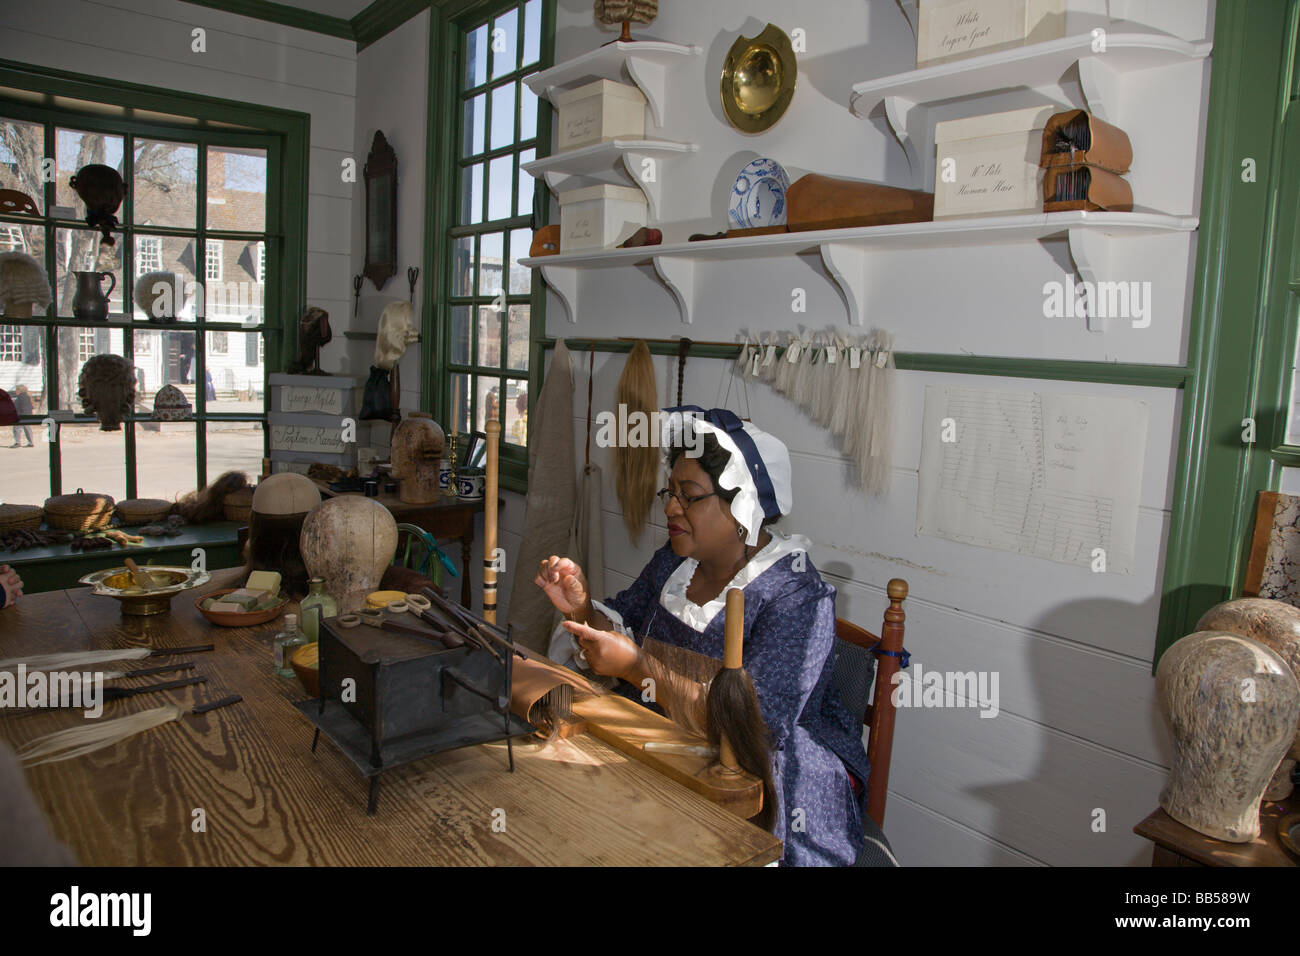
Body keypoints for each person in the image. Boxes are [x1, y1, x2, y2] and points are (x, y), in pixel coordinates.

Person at [535, 408, 889, 866]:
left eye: (690, 496)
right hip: (664, 741)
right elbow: (622, 622)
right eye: (671, 492)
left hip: (761, 784)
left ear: (744, 506)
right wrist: (582, 609)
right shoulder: (676, 561)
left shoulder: (797, 596)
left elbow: (756, 730)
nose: (670, 508)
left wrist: (639, 668)